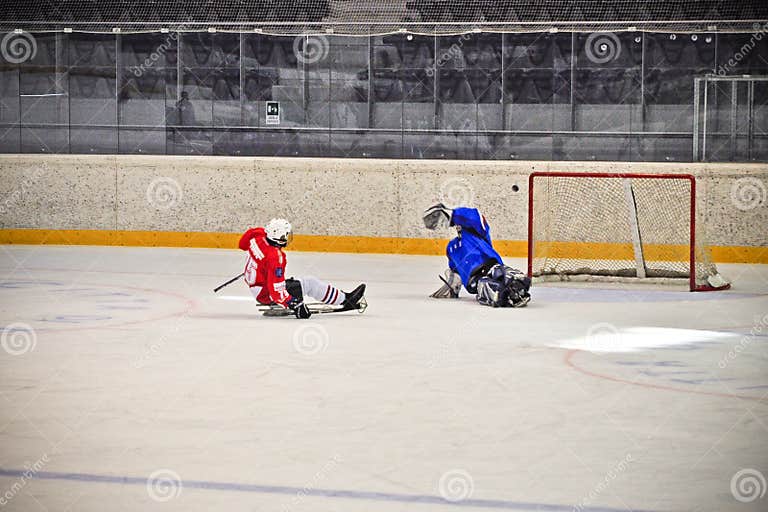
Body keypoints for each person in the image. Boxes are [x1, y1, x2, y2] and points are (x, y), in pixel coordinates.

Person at [239, 218, 366, 319]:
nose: (288, 238)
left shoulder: (258, 236)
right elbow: (276, 291)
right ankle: (346, 300)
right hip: (265, 294)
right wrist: (294, 304)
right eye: (286, 236)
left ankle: (343, 297)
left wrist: (259, 263)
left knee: (302, 282)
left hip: (259, 285)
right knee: (310, 283)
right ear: (279, 238)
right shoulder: (275, 257)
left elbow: (242, 244)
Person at [423, 203, 531, 307]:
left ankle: (516, 286)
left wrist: (452, 214)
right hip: (475, 282)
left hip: (490, 266)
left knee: (504, 276)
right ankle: (507, 295)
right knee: (491, 289)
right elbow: (455, 275)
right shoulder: (451, 248)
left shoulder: (475, 234)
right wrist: (450, 286)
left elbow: (475, 217)